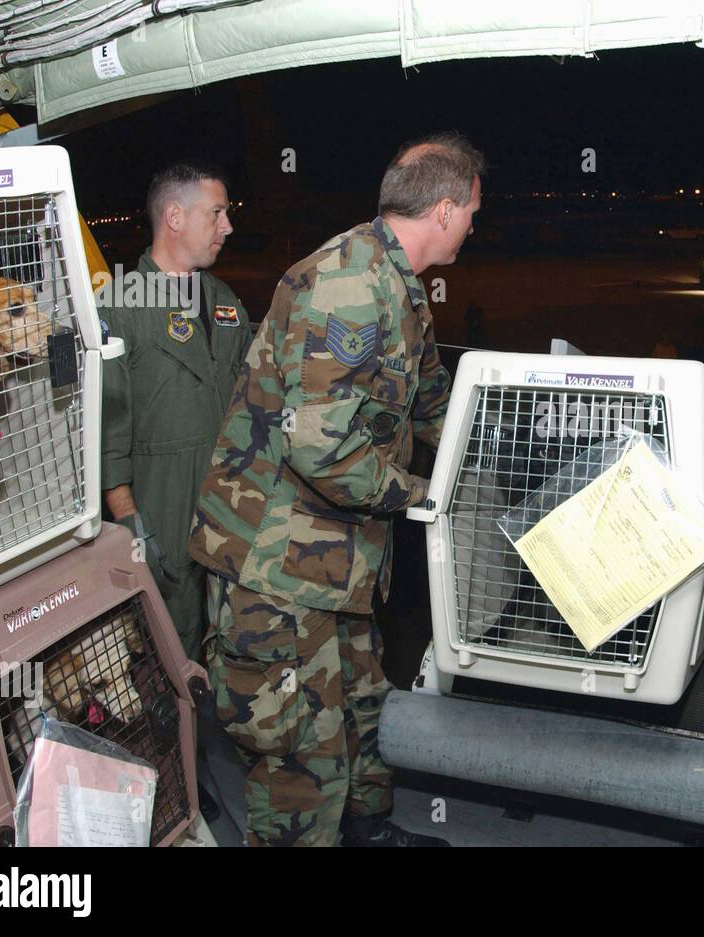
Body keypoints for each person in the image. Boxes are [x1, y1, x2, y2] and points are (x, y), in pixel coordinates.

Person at [186, 132, 483, 847]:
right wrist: (419, 494)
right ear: (444, 210)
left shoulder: (400, 287)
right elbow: (321, 447)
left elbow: (434, 405)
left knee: (360, 706)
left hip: (337, 561)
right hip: (278, 568)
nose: (476, 223)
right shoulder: (349, 287)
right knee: (299, 755)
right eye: (473, 208)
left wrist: (486, 457)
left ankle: (367, 831)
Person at [100, 162, 251, 660]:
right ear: (174, 217)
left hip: (228, 499)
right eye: (216, 213)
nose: (227, 226)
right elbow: (105, 428)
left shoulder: (225, 302)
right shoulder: (120, 306)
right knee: (169, 639)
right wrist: (129, 522)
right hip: (160, 499)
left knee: (235, 636)